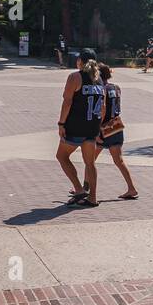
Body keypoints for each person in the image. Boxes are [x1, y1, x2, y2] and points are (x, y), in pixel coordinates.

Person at [56, 48, 105, 207]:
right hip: (92, 127)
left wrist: (61, 123)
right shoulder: (99, 80)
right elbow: (103, 107)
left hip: (75, 126)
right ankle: (93, 198)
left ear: (80, 61)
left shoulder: (75, 77)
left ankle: (78, 189)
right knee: (90, 163)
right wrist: (98, 126)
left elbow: (67, 102)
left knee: (62, 156)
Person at [97, 62, 138, 199]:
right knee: (119, 160)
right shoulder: (117, 88)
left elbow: (102, 110)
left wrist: (97, 130)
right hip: (116, 124)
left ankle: (83, 189)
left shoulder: (101, 88)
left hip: (104, 126)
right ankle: (131, 188)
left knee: (90, 160)